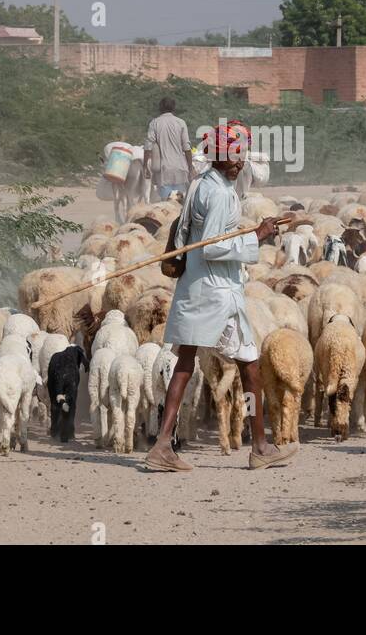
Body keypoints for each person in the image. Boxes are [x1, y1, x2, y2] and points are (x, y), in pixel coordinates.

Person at [144, 122, 293, 473]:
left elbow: (195, 234)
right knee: (251, 368)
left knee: (184, 364)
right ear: (219, 156)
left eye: (240, 155)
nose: (238, 163)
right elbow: (213, 247)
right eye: (233, 157)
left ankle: (162, 445)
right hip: (218, 293)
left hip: (194, 287)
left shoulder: (199, 184)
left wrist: (244, 232)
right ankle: (260, 446)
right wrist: (257, 235)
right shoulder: (222, 193)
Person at [143, 97, 194, 202]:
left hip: (163, 171)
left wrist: (145, 165)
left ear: (160, 108)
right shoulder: (181, 122)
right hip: (180, 169)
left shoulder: (155, 123)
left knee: (166, 204)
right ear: (174, 108)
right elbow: (187, 147)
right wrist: (190, 167)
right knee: (179, 203)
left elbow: (148, 145)